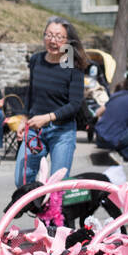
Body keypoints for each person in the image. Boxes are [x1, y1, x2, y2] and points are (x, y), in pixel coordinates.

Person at [15, 17, 86, 188]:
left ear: (68, 41)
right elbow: (31, 93)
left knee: (57, 186)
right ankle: (40, 212)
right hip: (34, 129)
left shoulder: (73, 66)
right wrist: (24, 119)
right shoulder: (36, 60)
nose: (53, 41)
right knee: (23, 182)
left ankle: (54, 214)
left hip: (62, 132)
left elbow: (75, 104)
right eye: (49, 35)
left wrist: (47, 117)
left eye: (59, 37)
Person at [94, 71, 128, 162]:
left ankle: (123, 152)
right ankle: (125, 153)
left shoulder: (116, 95)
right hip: (114, 139)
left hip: (99, 138)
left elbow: (98, 112)